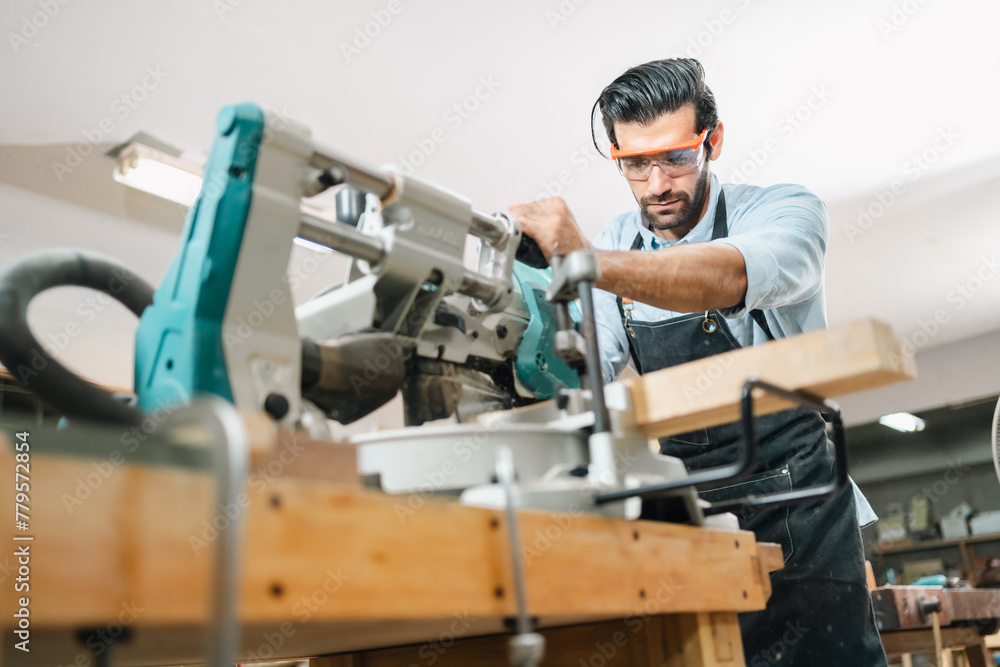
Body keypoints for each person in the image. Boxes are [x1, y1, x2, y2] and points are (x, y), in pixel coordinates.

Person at [510, 58, 887, 666]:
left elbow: (727, 274)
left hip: (801, 503)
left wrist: (589, 262)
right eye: (635, 164)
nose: (657, 183)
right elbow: (585, 376)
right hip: (694, 507)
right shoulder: (618, 240)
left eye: (676, 157)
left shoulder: (783, 211)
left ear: (712, 140)